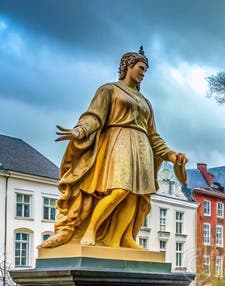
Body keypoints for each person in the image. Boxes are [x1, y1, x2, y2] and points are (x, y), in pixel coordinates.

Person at [40, 47, 188, 249]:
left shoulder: (146, 102)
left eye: (145, 70)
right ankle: (91, 229)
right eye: (141, 68)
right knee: (119, 190)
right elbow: (94, 116)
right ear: (128, 66)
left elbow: (153, 135)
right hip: (118, 143)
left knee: (133, 196)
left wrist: (170, 155)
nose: (143, 73)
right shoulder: (110, 90)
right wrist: (80, 131)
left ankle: (120, 238)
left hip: (142, 149)